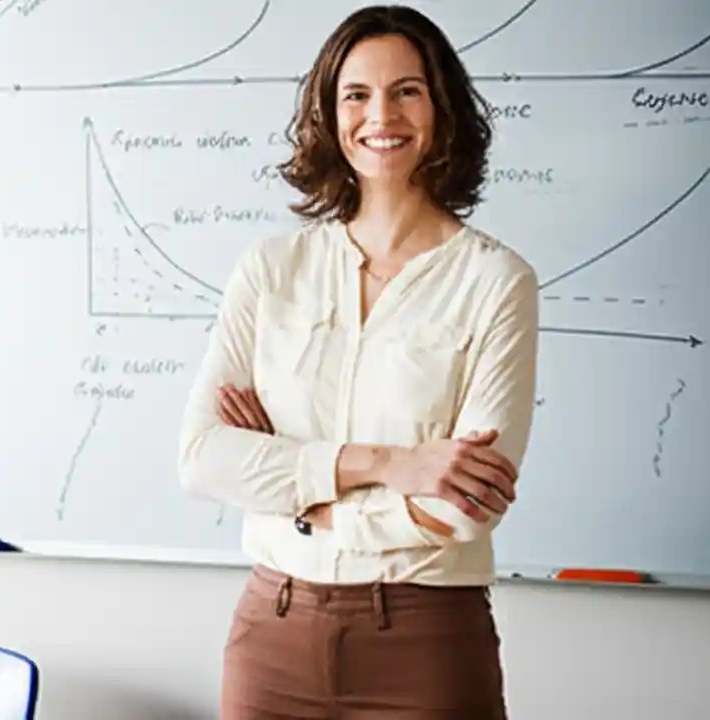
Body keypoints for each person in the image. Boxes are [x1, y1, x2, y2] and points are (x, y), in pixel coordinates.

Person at [177, 5, 539, 718]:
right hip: (272, 633)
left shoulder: (497, 282)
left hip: (425, 639)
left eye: (407, 90)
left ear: (442, 108)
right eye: (357, 94)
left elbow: (465, 506)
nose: (382, 114)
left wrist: (298, 495)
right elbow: (202, 459)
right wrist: (389, 465)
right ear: (329, 113)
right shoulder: (272, 268)